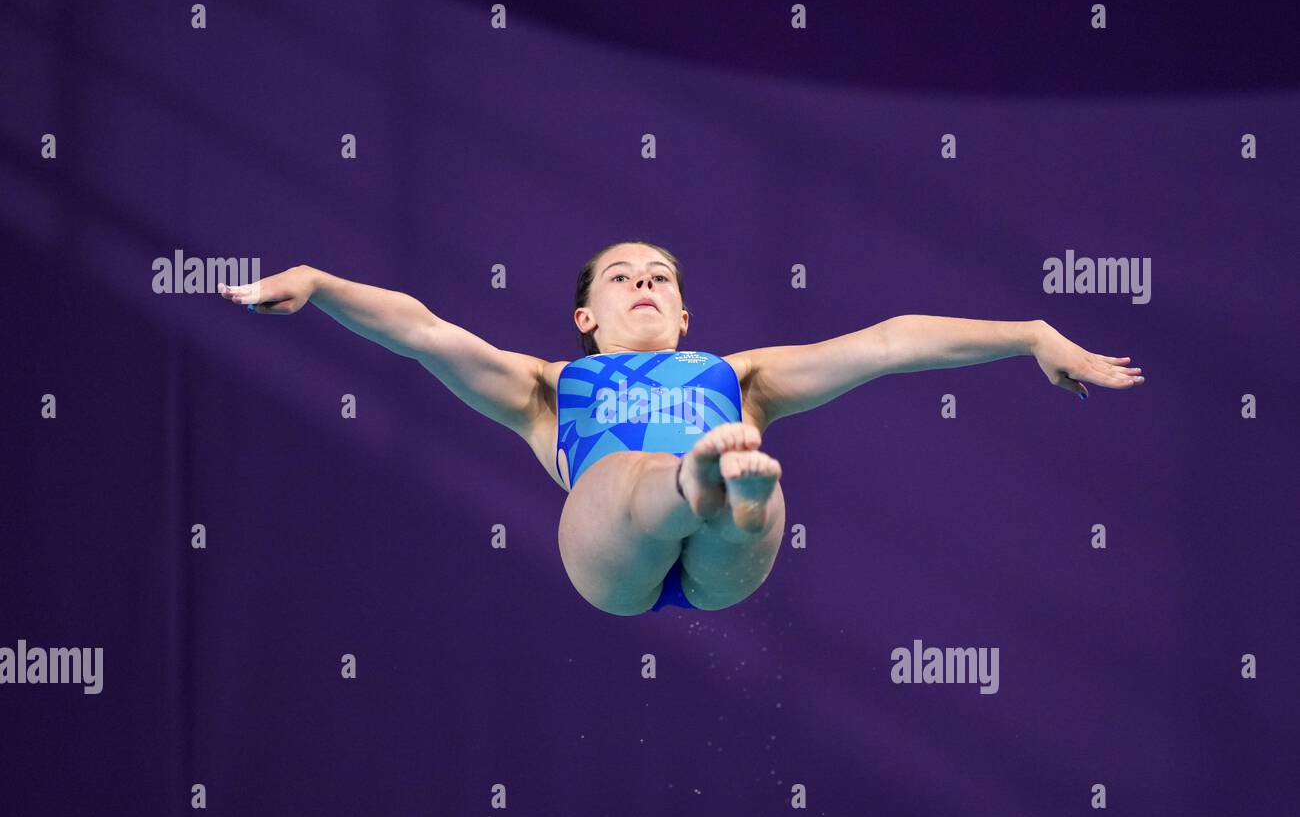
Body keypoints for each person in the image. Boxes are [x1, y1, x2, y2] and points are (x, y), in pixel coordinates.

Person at [219, 240, 1144, 615]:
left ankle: (736, 493)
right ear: (586, 315)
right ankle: (705, 480)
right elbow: (422, 331)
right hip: (611, 554)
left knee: (760, 497)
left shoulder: (738, 375)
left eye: (661, 276)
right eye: (623, 276)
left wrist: (1030, 333)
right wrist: (323, 285)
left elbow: (891, 342)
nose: (646, 284)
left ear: (687, 317)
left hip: (728, 560)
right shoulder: (546, 386)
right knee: (635, 481)